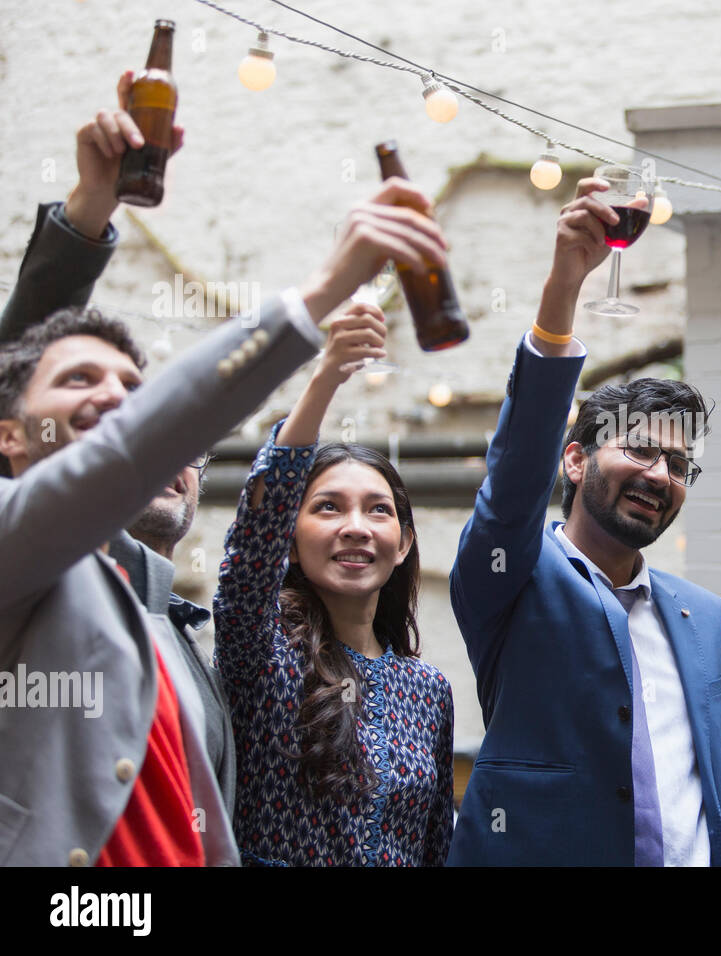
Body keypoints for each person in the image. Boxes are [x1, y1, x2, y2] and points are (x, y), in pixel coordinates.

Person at [0, 171, 453, 866]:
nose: (119, 399)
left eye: (132, 387)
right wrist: (320, 306)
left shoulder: (154, 613)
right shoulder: (23, 559)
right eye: (80, 381)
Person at [448, 177, 721, 866]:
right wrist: (563, 292)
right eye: (640, 448)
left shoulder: (706, 617)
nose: (660, 474)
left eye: (679, 465)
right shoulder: (512, 575)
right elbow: (513, 480)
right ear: (576, 461)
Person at [0, 74, 237, 816]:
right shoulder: (25, 573)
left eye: (140, 399)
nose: (122, 408)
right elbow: (20, 368)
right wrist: (90, 205)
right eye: (87, 389)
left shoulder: (189, 634)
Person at [212, 301, 453, 867]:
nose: (354, 528)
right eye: (327, 508)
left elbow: (436, 846)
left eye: (377, 511)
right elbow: (250, 549)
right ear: (290, 539)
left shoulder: (429, 689)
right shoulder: (261, 652)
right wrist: (325, 377)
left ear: (404, 543)